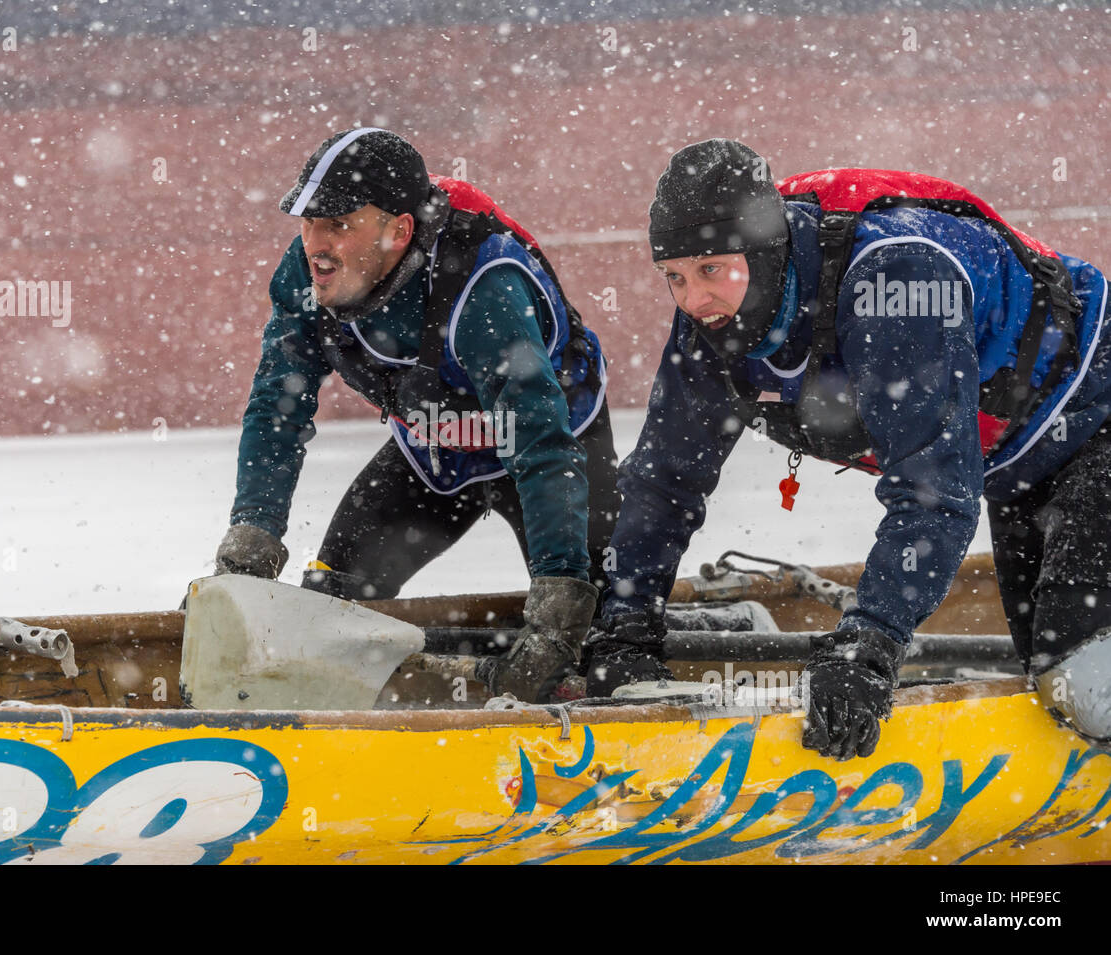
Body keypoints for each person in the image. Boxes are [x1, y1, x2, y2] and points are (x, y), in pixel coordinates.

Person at [591, 138, 1111, 759]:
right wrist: (625, 616)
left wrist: (869, 645)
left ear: (765, 252)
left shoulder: (898, 281)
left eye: (710, 270)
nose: (692, 298)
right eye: (673, 276)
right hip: (1013, 463)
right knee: (1045, 668)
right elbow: (663, 478)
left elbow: (932, 492)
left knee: (1084, 684)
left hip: (1093, 416)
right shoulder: (717, 316)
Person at [215, 127, 620, 702]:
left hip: (552, 447)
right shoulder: (304, 278)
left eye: (338, 225)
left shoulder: (486, 287)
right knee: (332, 609)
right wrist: (252, 534)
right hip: (433, 455)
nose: (315, 244)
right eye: (307, 223)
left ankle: (607, 665)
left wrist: (559, 603)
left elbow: (541, 444)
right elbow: (278, 410)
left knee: (605, 633)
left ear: (398, 230)